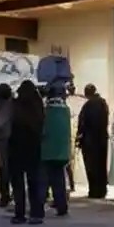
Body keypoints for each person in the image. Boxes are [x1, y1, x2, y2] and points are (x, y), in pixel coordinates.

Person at [10, 80, 46, 225]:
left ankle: (19, 213)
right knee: (34, 181)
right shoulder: (38, 107)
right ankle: (36, 213)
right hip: (33, 147)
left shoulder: (16, 105)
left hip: (16, 147)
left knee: (18, 182)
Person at [76, 84, 111, 199]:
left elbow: (82, 123)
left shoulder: (87, 106)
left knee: (91, 166)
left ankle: (94, 190)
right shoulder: (103, 103)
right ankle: (102, 189)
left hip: (89, 141)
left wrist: (79, 138)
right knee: (101, 164)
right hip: (102, 139)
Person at [43, 84, 72, 217]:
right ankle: (62, 205)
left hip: (47, 150)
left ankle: (39, 204)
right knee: (59, 179)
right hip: (62, 151)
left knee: (44, 179)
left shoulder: (46, 111)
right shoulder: (66, 110)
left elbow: (43, 130)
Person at [0, 83, 15, 207]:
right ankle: (14, 194)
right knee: (13, 170)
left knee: (2, 170)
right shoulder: (12, 105)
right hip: (12, 141)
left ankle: (4, 195)